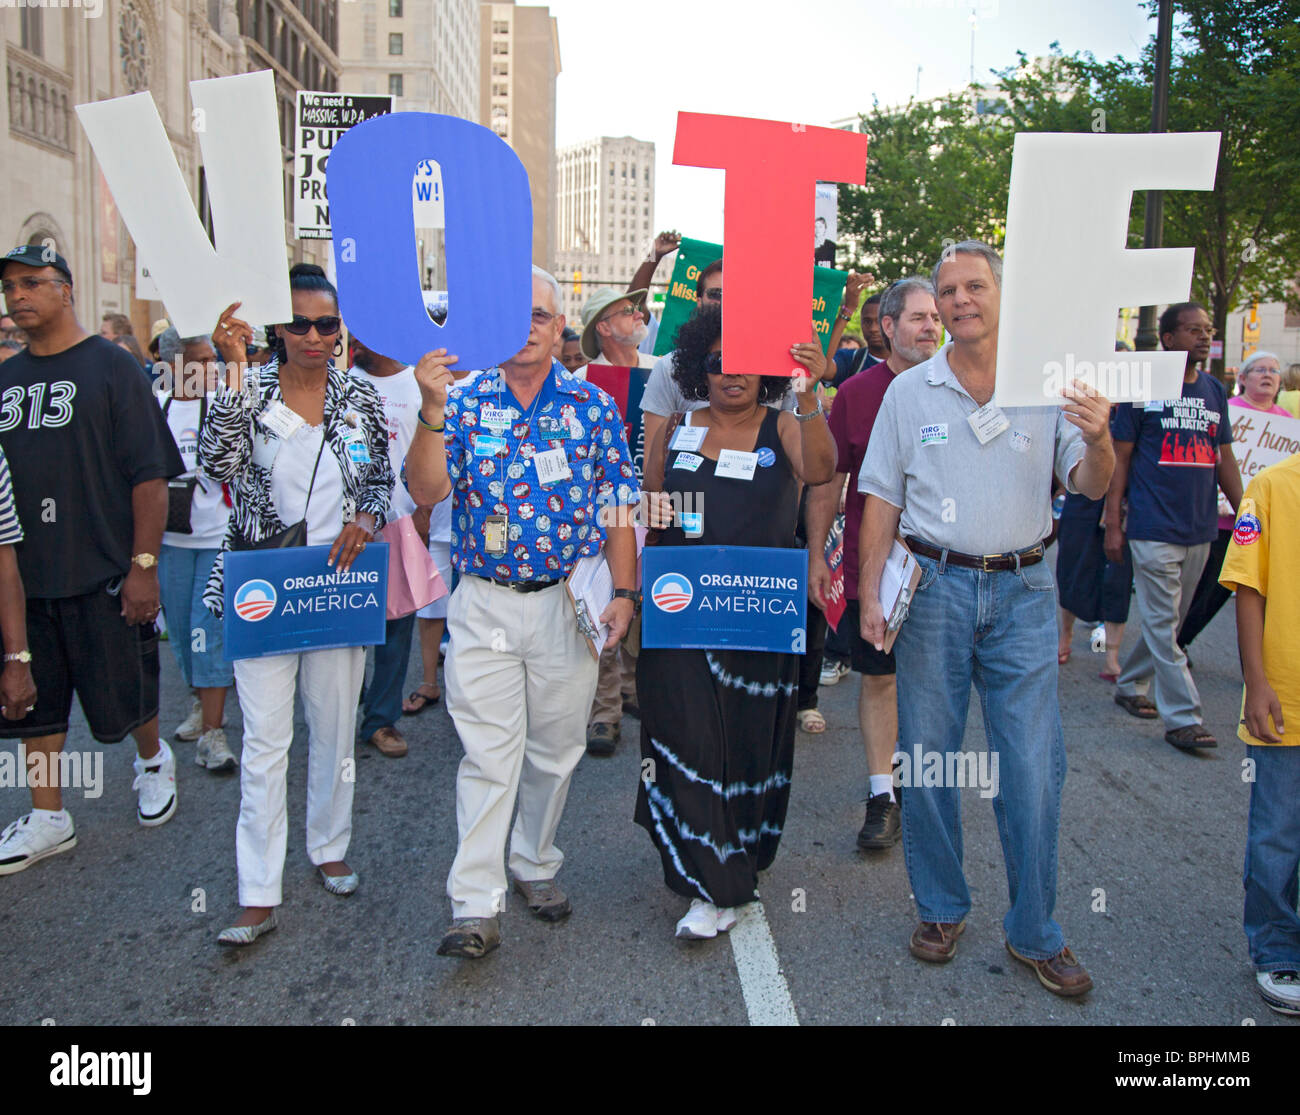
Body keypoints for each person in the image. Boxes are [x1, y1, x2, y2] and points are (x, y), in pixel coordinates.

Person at [858, 240, 1113, 997]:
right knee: (929, 757)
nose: (960, 299)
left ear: (1003, 294)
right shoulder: (909, 392)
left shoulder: (1050, 385)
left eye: (975, 285)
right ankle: (941, 907)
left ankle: (1036, 930)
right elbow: (881, 497)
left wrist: (1098, 435)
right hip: (934, 590)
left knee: (1032, 768)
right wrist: (870, 591)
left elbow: (1089, 482)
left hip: (1026, 594)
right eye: (947, 290)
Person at [404, 266, 639, 959]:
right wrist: (428, 409)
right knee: (487, 751)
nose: (529, 327)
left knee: (556, 747)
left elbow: (619, 504)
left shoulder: (592, 407)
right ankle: (474, 903)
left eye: (540, 315)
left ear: (561, 326)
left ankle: (535, 861)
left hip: (567, 602)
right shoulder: (462, 400)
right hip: (484, 603)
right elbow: (426, 487)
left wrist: (623, 594)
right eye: (514, 313)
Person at [203, 263, 393, 946]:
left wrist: (365, 522)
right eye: (301, 323)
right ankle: (257, 890)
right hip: (265, 586)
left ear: (340, 330)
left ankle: (328, 843)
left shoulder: (358, 396)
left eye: (327, 324)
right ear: (278, 329)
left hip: (338, 586)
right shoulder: (248, 390)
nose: (314, 336)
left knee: (337, 726)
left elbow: (379, 481)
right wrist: (229, 372)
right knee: (264, 742)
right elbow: (216, 467)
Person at [636, 301, 834, 938]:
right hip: (683, 615)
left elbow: (823, 471)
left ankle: (737, 855)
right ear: (699, 367)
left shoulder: (787, 425)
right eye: (718, 363)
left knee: (746, 748)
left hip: (759, 617)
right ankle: (712, 882)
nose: (731, 374)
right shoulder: (679, 426)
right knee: (689, 741)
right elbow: (651, 503)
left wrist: (809, 396)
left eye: (746, 363)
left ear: (767, 372)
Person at [0, 245, 183, 875]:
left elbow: (149, 476)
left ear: (65, 289)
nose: (17, 296)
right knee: (34, 703)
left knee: (125, 691)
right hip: (26, 578)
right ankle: (50, 815)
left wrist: (143, 565)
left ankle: (152, 760)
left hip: (104, 568)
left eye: (31, 283)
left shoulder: (111, 366)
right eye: (9, 288)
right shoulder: (4, 378)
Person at [806, 276, 941, 846]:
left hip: (947, 573)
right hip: (875, 570)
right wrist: (818, 556)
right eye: (919, 318)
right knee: (880, 680)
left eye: (936, 316)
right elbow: (827, 481)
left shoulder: (967, 387)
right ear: (887, 328)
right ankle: (882, 794)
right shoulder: (858, 394)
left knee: (935, 688)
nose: (932, 326)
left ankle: (928, 794)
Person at [1106, 302, 1242, 750]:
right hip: (1152, 527)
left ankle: (1130, 686)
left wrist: (1247, 515)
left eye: (1207, 329)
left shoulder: (1215, 390)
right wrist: (1112, 522)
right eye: (1193, 330)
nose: (1204, 336)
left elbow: (1224, 461)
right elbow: (1119, 459)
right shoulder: (1141, 389)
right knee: (1165, 623)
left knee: (1171, 622)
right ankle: (1183, 717)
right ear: (1167, 339)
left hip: (1201, 529)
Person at [1219, 450, 1300, 1016]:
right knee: (1278, 831)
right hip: (1288, 698)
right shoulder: (1271, 488)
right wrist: (1256, 681)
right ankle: (1277, 946)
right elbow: (1249, 587)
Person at [154, 327, 236, 772]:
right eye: (200, 362)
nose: (210, 370)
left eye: (212, 361)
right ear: (173, 365)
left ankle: (214, 731)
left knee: (210, 632)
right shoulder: (155, 408)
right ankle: (198, 702)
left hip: (217, 537)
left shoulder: (224, 403)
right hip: (169, 540)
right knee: (183, 634)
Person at [1179, 350, 1289, 654]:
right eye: (1260, 370)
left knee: (1252, 591)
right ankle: (1179, 641)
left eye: (1274, 371)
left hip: (1264, 524)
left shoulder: (1289, 424)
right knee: (1208, 587)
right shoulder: (1227, 410)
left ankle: (1257, 661)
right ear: (1242, 378)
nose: (1268, 375)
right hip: (1222, 520)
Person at [349, 337, 429, 759]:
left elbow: (433, 453)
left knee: (396, 630)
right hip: (343, 529)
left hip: (401, 523)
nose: (354, 341)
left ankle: (380, 720)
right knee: (347, 628)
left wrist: (424, 512)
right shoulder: (341, 383)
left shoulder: (417, 387)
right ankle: (343, 711)